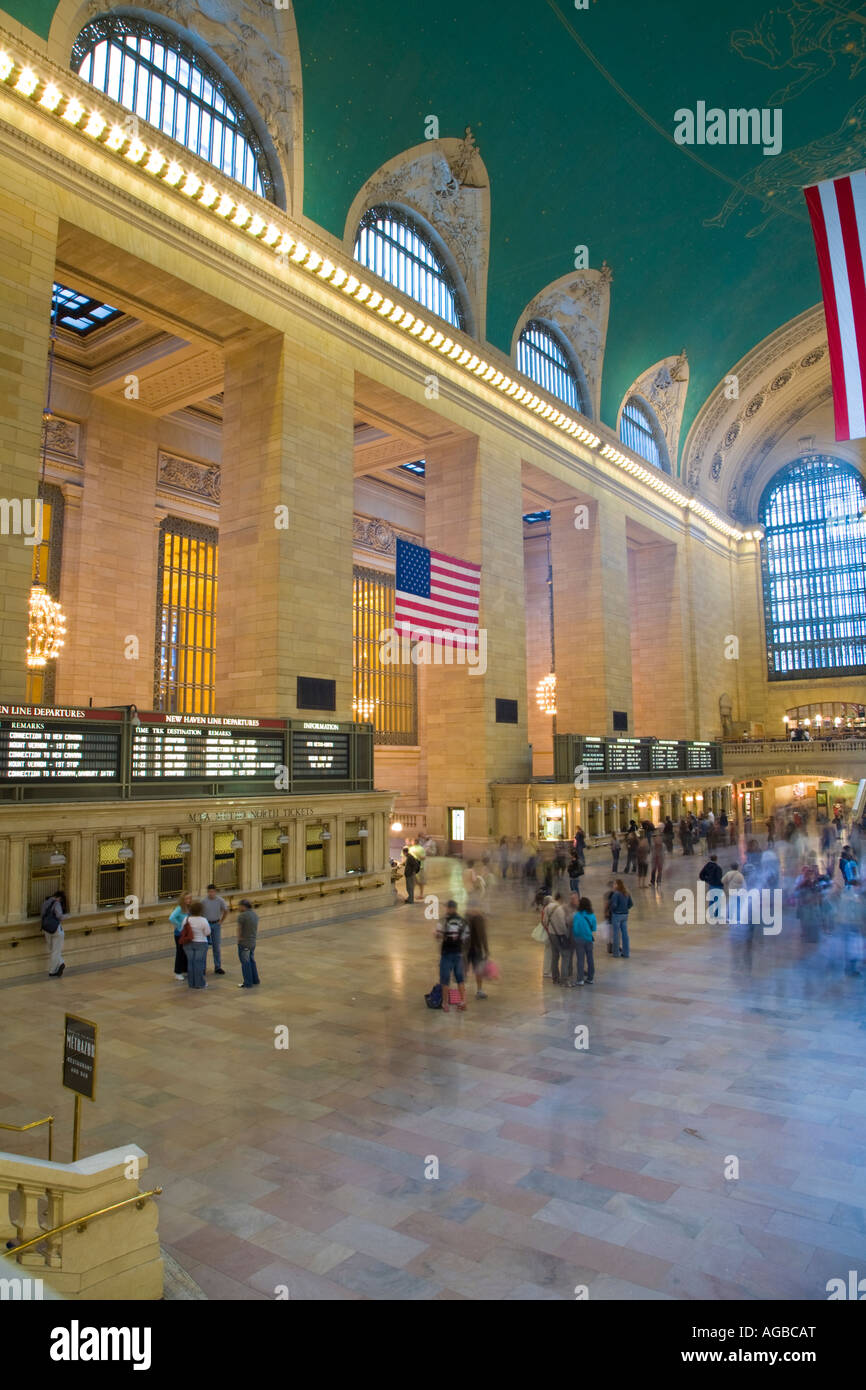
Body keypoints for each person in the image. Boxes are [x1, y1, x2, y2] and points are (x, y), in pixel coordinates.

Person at [436, 901, 469, 1011]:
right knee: (460, 979)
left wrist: (437, 935)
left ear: (450, 908)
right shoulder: (462, 921)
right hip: (458, 953)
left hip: (446, 954)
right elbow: (465, 938)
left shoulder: (443, 920)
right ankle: (463, 1001)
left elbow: (438, 935)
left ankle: (445, 1004)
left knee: (445, 980)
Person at [183, 899, 211, 990]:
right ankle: (200, 983)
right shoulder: (203, 920)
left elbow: (182, 929)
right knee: (198, 964)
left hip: (188, 944)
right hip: (201, 943)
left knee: (190, 963)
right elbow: (207, 932)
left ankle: (191, 983)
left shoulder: (187, 919)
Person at [543, 893, 570, 985]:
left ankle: (555, 978)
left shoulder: (547, 908)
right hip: (560, 935)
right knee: (565, 955)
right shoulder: (561, 909)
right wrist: (566, 934)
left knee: (555, 956)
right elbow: (563, 924)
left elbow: (545, 922)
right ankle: (564, 979)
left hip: (551, 934)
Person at [201, 884, 229, 974]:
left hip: (216, 924)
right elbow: (200, 912)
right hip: (206, 924)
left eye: (212, 892)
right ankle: (203, 968)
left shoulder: (220, 900)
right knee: (204, 947)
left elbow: (226, 910)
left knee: (216, 946)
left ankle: (217, 967)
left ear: (215, 892)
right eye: (209, 892)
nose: (211, 893)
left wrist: (221, 921)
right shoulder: (204, 901)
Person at [571, 895, 597, 985]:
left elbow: (574, 927)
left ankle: (580, 979)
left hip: (578, 939)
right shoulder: (592, 915)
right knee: (590, 959)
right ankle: (590, 978)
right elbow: (594, 928)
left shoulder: (577, 915)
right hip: (589, 939)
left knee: (580, 960)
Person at [465, 908, 490, 999]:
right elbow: (484, 939)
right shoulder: (480, 926)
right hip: (477, 950)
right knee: (478, 971)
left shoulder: (466, 923)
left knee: (463, 971)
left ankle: (459, 992)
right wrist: (487, 951)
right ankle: (479, 990)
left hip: (466, 950)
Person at [168, 890, 193, 980]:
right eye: (186, 899)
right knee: (180, 952)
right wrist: (180, 926)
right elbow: (171, 918)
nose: (188, 900)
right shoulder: (179, 908)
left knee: (185, 952)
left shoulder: (188, 908)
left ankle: (185, 969)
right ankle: (178, 972)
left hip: (186, 933)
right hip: (179, 934)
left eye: (189, 898)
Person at [236, 898, 260, 988]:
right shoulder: (254, 914)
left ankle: (248, 982)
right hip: (252, 942)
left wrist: (239, 939)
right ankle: (255, 979)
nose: (238, 908)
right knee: (251, 960)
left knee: (245, 963)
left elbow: (239, 929)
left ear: (243, 906)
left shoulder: (242, 916)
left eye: (239, 906)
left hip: (244, 943)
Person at [41, 892, 65, 978]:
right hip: (56, 929)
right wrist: (67, 916)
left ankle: (60, 963)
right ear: (59, 898)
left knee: (52, 950)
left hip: (46, 929)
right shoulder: (56, 903)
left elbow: (42, 915)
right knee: (56, 951)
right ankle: (53, 970)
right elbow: (59, 916)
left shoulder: (45, 902)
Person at [608, 880, 633, 959]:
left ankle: (616, 953)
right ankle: (626, 953)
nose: (613, 885)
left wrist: (612, 910)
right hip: (625, 915)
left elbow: (614, 905)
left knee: (616, 934)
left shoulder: (616, 894)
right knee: (625, 934)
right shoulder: (626, 893)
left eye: (615, 884)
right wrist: (625, 909)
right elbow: (631, 904)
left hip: (617, 915)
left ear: (618, 885)